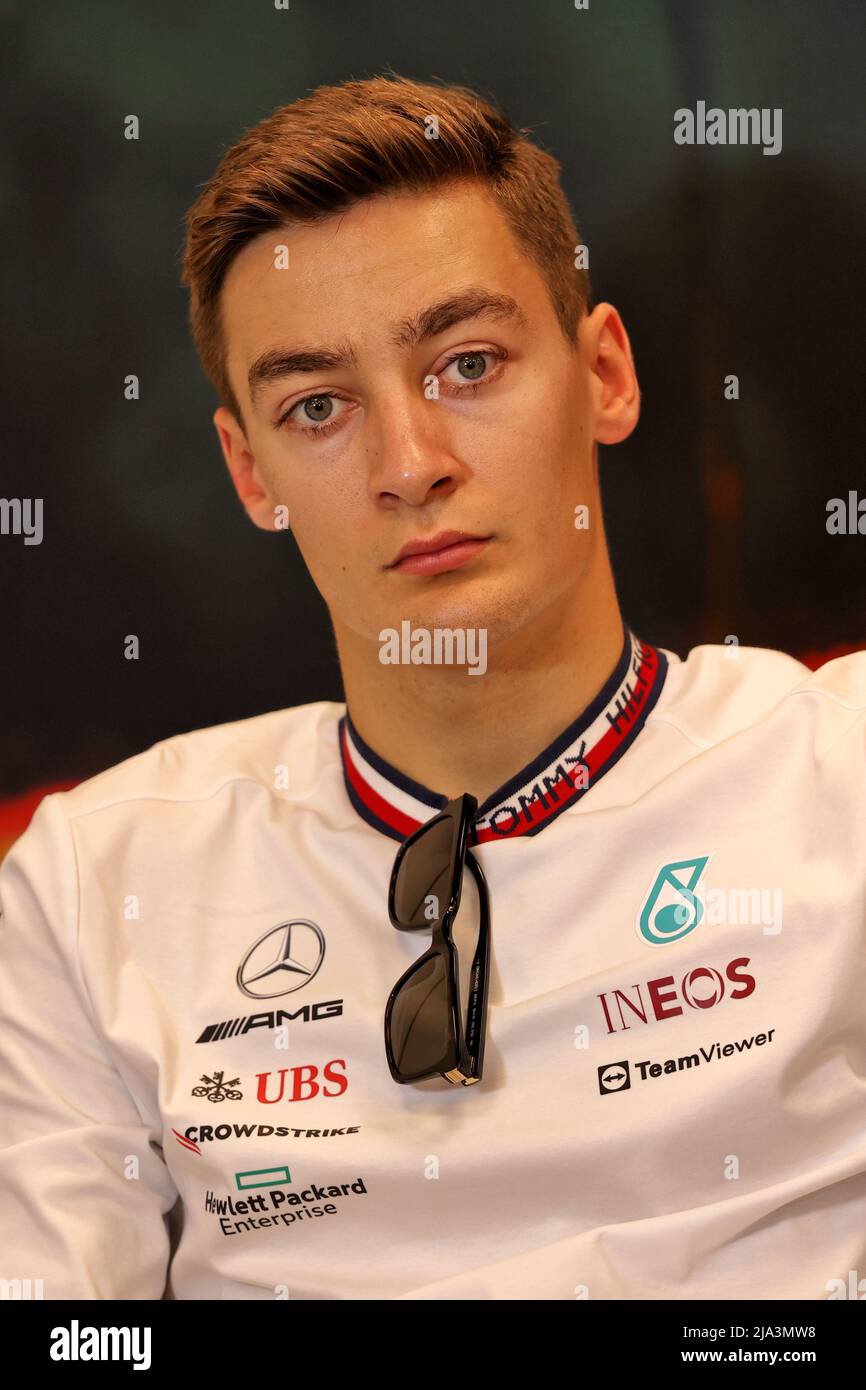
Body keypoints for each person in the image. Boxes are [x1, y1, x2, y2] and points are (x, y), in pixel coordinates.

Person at [1, 73, 865, 1302]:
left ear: (604, 373)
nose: (410, 465)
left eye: (466, 364)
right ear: (251, 473)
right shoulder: (92, 887)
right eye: (317, 406)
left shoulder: (842, 771)